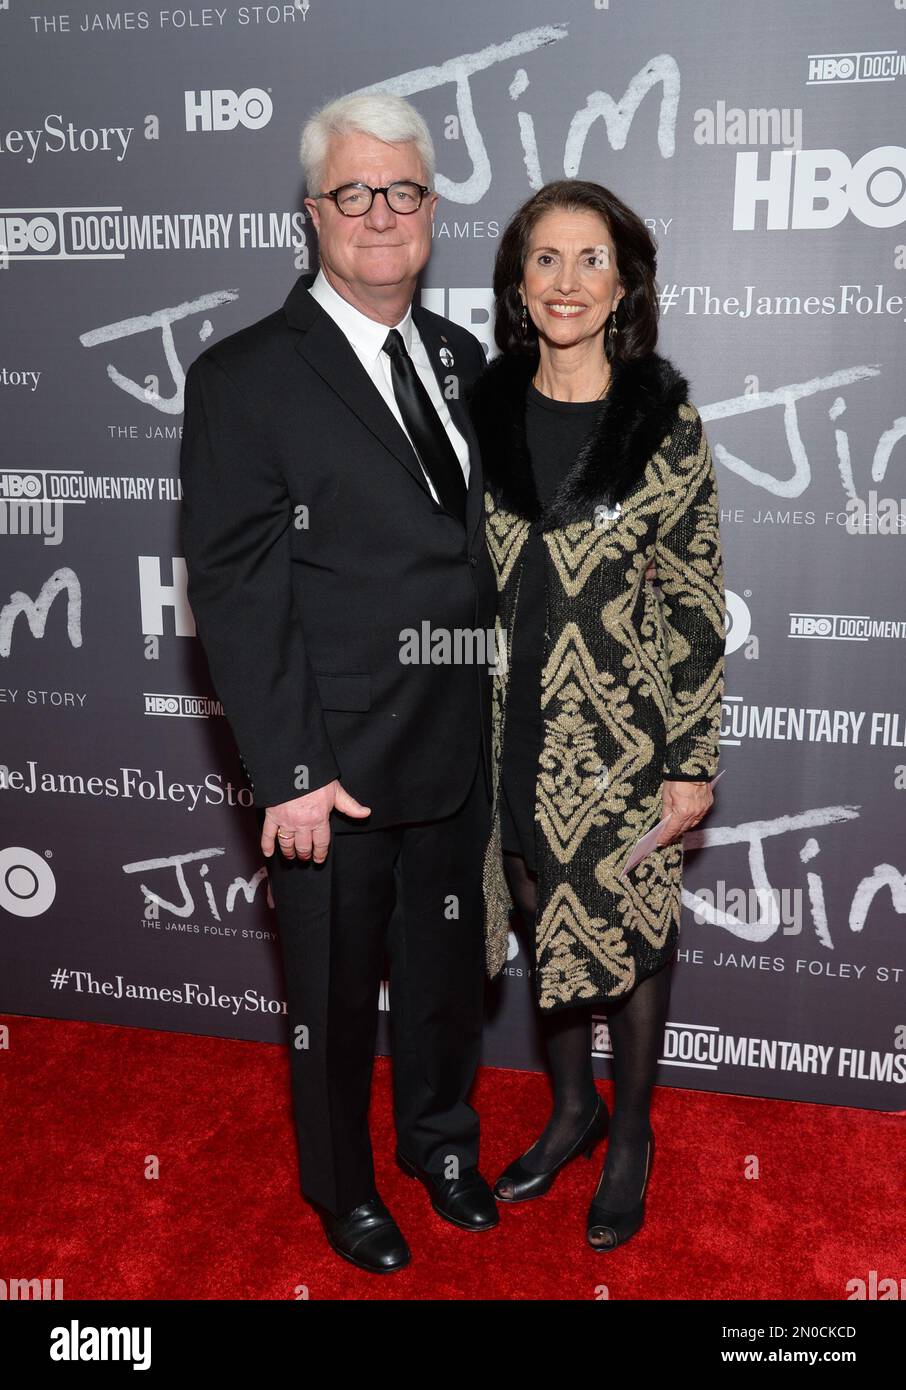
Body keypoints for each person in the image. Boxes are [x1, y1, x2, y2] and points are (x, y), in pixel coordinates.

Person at [179, 92, 500, 1275]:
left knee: (442, 974)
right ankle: (342, 1185)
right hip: (336, 757)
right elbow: (239, 589)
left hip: (454, 740)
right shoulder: (243, 377)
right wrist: (294, 772)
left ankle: (440, 1144)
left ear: (430, 209)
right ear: (314, 213)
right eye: (355, 193)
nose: (381, 215)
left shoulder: (465, 359)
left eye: (404, 192)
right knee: (327, 992)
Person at [468, 179, 727, 1250]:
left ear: (623, 282)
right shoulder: (480, 410)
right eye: (545, 260)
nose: (566, 282)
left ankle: (632, 1134)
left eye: (590, 260)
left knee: (634, 934)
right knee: (541, 916)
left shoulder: (661, 419)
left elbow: (699, 597)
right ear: (518, 283)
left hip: (629, 738)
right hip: (505, 730)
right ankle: (572, 1111)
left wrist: (692, 756)